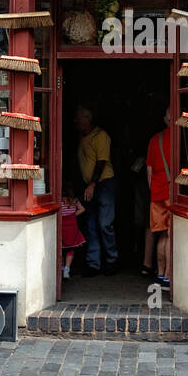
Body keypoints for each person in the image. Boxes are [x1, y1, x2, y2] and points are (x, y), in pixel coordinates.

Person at [74, 103, 117, 276]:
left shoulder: (101, 136)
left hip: (104, 183)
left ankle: (112, 261)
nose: (75, 120)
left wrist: (92, 184)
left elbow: (102, 162)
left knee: (104, 224)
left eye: (79, 117)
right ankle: (94, 264)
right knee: (91, 225)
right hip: (89, 185)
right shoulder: (82, 137)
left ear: (87, 119)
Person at [145, 106, 174, 289]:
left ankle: (160, 274)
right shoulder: (180, 139)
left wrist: (153, 190)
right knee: (171, 235)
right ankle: (169, 277)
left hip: (156, 191)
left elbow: (148, 169)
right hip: (172, 192)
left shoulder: (155, 139)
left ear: (165, 119)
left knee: (162, 234)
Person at [59, 184, 86, 279]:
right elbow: (83, 209)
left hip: (62, 227)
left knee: (61, 248)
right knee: (71, 248)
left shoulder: (60, 201)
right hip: (72, 227)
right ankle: (67, 269)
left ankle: (61, 269)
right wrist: (73, 215)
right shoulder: (75, 200)